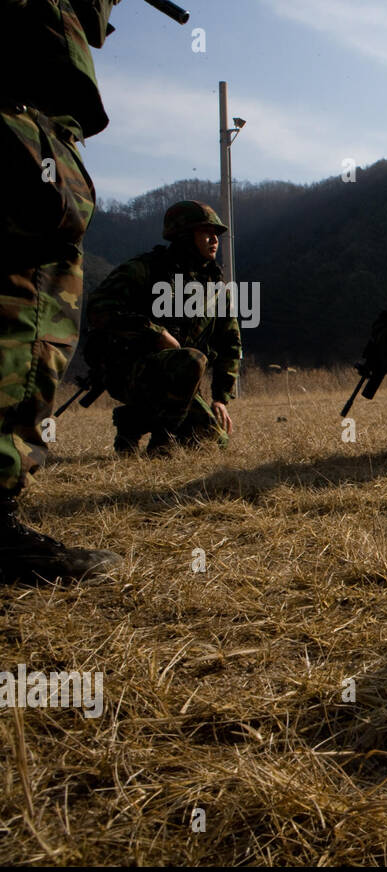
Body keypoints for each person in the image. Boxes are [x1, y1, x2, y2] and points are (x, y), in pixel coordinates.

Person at [0, 0, 122, 583]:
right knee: (27, 298)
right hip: (21, 118)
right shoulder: (147, 274)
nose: (213, 243)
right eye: (204, 233)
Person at [84, 201, 240, 455]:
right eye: (205, 232)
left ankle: (132, 419)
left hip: (181, 380)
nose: (214, 239)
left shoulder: (215, 287)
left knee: (213, 441)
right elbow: (98, 307)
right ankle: (162, 441)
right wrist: (153, 333)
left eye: (216, 235)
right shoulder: (146, 269)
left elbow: (230, 343)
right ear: (184, 236)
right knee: (191, 358)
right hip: (131, 372)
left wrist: (221, 397)